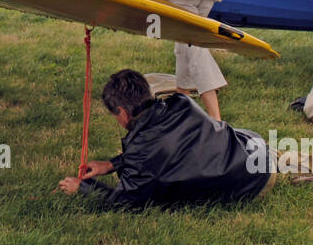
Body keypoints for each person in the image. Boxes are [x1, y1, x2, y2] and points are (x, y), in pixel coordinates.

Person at [56, 69, 273, 206]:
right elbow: (164, 151)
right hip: (253, 148)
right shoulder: (180, 102)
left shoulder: (143, 153)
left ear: (122, 112)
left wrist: (83, 187)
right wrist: (111, 165)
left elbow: (126, 200)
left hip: (253, 184)